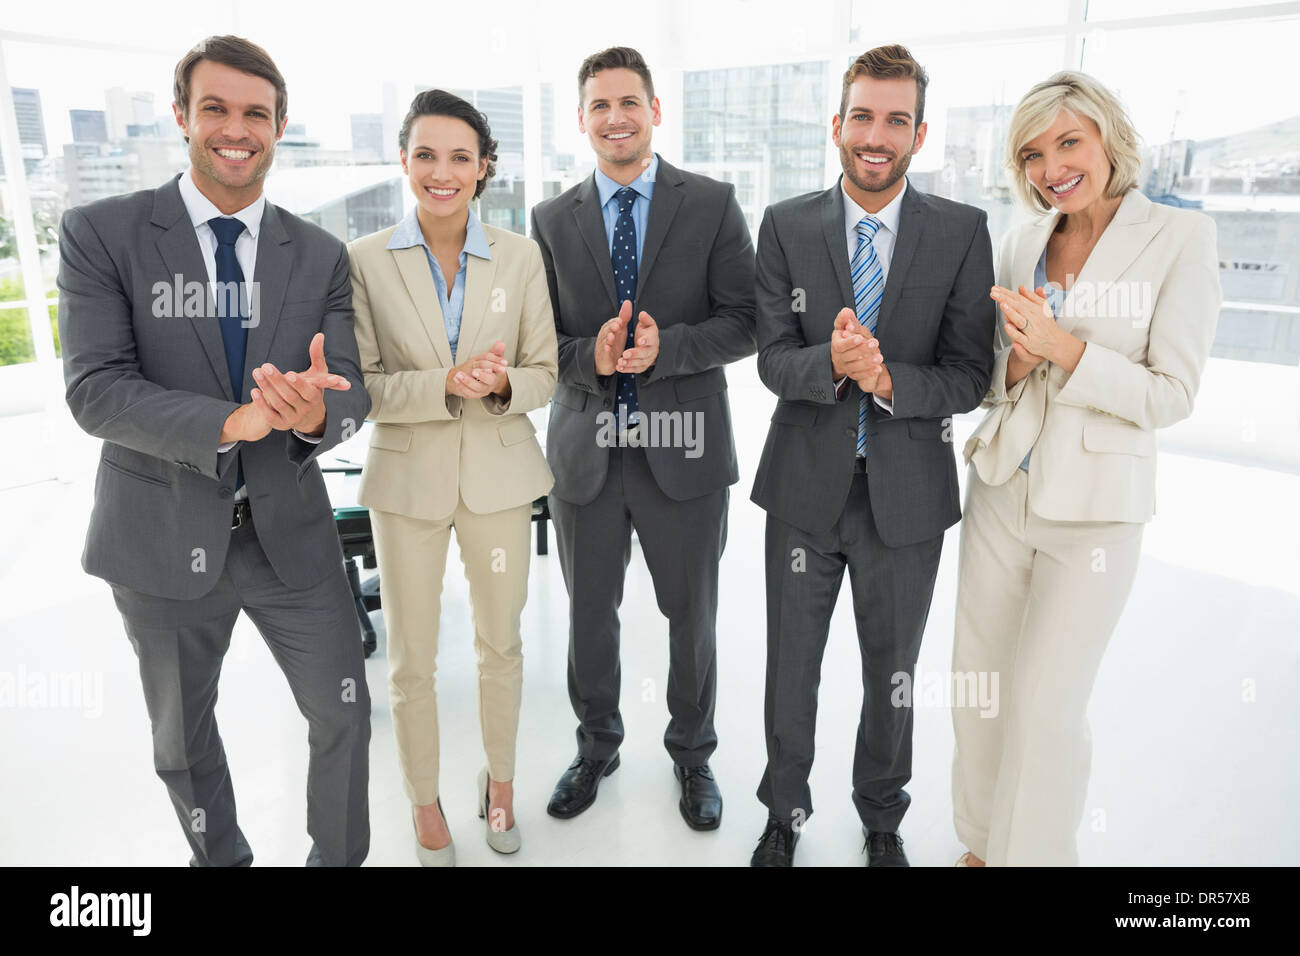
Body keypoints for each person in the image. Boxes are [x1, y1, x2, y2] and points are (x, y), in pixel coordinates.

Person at [57, 35, 372, 866]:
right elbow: (95, 390)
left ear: (280, 125)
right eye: (216, 109)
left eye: (256, 113)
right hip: (157, 536)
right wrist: (233, 422)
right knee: (184, 738)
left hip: (290, 537)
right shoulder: (103, 234)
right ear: (182, 116)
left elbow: (350, 389)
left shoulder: (321, 254)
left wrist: (310, 416)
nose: (237, 129)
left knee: (343, 712)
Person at [952, 71, 1220, 867]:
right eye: (1033, 153)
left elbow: (1172, 394)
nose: (1051, 168)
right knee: (980, 689)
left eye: (1068, 142)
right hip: (1003, 488)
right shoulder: (1022, 241)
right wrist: (1018, 361)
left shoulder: (1180, 238)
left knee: (1047, 707)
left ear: (1108, 137)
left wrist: (1063, 350)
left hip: (1097, 512)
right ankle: (978, 845)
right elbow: (995, 371)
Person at [749, 44, 995, 867]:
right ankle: (783, 812)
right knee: (792, 667)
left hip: (908, 496)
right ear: (838, 124)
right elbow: (771, 358)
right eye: (863, 115)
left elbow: (969, 374)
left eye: (896, 119)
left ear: (919, 134)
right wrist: (831, 364)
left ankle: (882, 818)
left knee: (894, 674)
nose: (876, 134)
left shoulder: (962, 233)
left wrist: (887, 377)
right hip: (802, 489)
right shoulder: (785, 224)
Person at [530, 46, 756, 831]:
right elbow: (538, 345)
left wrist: (673, 349)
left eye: (630, 102)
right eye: (600, 105)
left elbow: (748, 321)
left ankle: (694, 757)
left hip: (684, 449)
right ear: (583, 119)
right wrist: (585, 357)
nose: (616, 117)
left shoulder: (714, 204)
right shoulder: (550, 221)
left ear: (656, 111)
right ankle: (597, 747)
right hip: (586, 455)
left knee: (690, 617)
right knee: (589, 616)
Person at [348, 90, 557, 866]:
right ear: (404, 160)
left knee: (500, 643)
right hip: (406, 484)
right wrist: (447, 383)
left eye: (460, 157)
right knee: (410, 656)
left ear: (484, 168)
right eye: (426, 155)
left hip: (500, 480)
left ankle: (500, 782)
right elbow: (364, 385)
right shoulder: (365, 261)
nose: (443, 172)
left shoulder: (520, 255)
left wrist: (499, 388)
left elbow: (546, 373)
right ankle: (424, 798)